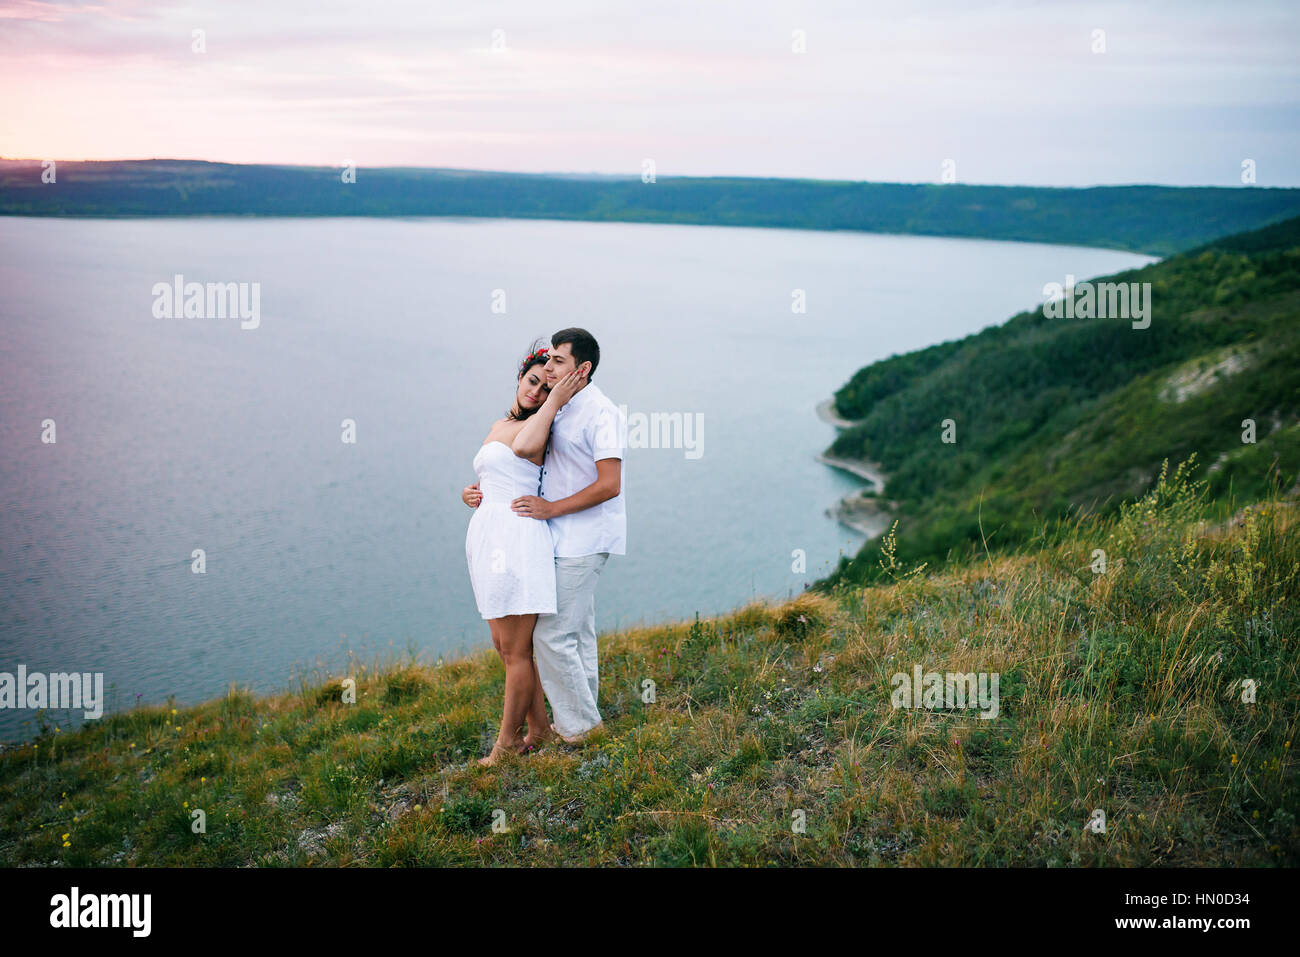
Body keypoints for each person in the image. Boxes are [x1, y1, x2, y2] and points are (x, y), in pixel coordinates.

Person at [462, 342, 585, 765]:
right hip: (488, 537)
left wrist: (553, 400)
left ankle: (506, 746)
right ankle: (539, 729)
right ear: (519, 378)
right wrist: (470, 492)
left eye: (543, 386)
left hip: (516, 539)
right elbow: (491, 470)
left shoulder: (540, 428)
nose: (534, 391)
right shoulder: (500, 423)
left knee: (517, 652)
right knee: (503, 646)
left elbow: (519, 452)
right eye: (532, 381)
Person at [509, 328, 626, 743]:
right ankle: (581, 716)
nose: (549, 367)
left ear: (583, 368)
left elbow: (609, 484)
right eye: (549, 359)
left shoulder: (602, 413)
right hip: (559, 537)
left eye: (559, 361)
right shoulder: (560, 405)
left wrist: (551, 509)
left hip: (587, 538)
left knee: (551, 635)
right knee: (578, 633)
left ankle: (581, 731)